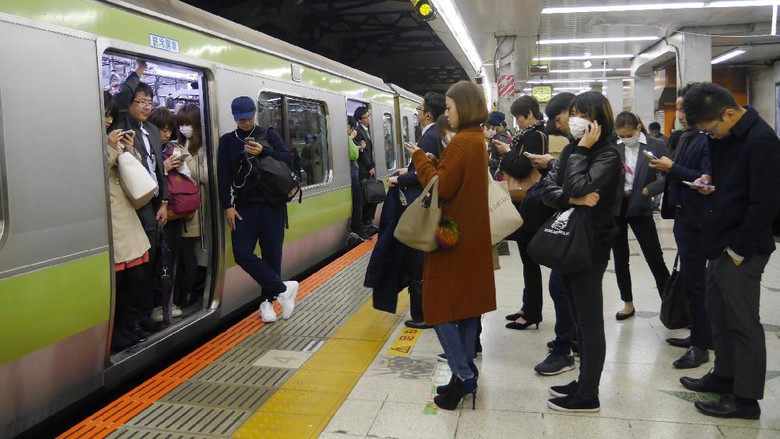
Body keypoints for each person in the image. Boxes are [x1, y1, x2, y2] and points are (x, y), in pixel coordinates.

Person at [679, 82, 780, 420]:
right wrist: (709, 181)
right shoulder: (726, 136)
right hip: (720, 240)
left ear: (729, 114)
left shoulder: (762, 141)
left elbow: (765, 204)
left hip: (743, 247)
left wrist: (738, 249)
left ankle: (746, 400)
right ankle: (724, 375)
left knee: (742, 323)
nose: (710, 136)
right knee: (718, 313)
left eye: (711, 129)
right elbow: (731, 181)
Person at [404, 81, 496, 411]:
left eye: (449, 107)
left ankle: (464, 374)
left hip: (452, 239)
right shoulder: (476, 140)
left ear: (464, 107)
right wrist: (435, 160)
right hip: (471, 237)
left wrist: (419, 158)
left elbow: (441, 187)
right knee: (467, 309)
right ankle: (461, 377)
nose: (446, 113)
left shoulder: (462, 141)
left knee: (438, 306)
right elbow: (454, 177)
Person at [540, 91, 621, 412]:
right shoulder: (572, 149)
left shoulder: (607, 154)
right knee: (577, 315)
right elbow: (548, 189)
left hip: (591, 245)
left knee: (589, 320)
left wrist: (583, 153)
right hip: (569, 239)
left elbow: (575, 184)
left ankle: (589, 394)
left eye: (582, 114)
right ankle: (583, 382)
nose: (575, 120)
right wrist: (572, 199)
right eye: (573, 113)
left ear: (598, 119)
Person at [216, 96, 298, 323]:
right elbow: (223, 176)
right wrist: (227, 205)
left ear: (254, 114)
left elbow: (288, 159)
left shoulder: (268, 134)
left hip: (273, 206)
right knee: (242, 253)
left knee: (272, 255)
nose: (245, 123)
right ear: (234, 118)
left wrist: (263, 151)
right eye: (241, 119)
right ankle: (284, 289)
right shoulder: (228, 141)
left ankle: (267, 303)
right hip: (244, 207)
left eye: (248, 118)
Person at [648, 83, 712, 369]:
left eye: (684, 109)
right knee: (690, 279)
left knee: (698, 282)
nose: (680, 114)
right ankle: (698, 333)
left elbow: (704, 176)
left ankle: (702, 344)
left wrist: (671, 168)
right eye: (678, 109)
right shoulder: (684, 137)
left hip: (698, 218)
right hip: (683, 215)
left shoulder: (707, 139)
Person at [524, 92, 579, 376]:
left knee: (565, 288)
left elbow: (581, 186)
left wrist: (563, 191)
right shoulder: (574, 147)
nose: (560, 126)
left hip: (584, 231)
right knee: (564, 287)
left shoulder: (603, 150)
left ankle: (565, 350)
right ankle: (569, 340)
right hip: (571, 223)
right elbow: (556, 188)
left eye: (561, 119)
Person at [113, 59, 168, 335]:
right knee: (138, 268)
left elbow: (159, 171)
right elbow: (120, 100)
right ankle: (132, 320)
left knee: (152, 262)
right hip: (136, 206)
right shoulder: (123, 124)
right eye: (141, 101)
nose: (146, 106)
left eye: (149, 102)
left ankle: (144, 315)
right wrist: (137, 73)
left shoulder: (153, 131)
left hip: (154, 204)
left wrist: (164, 201)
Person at [389, 92, 445, 329]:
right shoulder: (435, 134)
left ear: (428, 114)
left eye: (420, 110)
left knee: (417, 261)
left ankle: (422, 314)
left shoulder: (431, 136)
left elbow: (426, 175)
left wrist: (400, 179)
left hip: (423, 206)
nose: (418, 113)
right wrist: (409, 169)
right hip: (428, 203)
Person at [494, 95, 548, 330]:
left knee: (530, 258)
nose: (518, 122)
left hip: (532, 203)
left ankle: (533, 311)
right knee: (527, 259)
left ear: (529, 114)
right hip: (527, 201)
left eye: (519, 118)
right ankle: (528, 306)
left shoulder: (536, 136)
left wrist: (507, 152)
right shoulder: (528, 135)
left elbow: (521, 169)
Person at [611, 112, 670, 320]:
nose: (626, 139)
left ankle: (669, 303)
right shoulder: (614, 146)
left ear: (638, 128)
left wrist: (649, 190)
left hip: (641, 204)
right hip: (617, 206)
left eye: (629, 135)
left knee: (654, 256)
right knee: (620, 257)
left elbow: (669, 175)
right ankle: (627, 303)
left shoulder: (656, 145)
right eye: (621, 135)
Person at [105, 98, 151, 352]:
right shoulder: (88, 141)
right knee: (118, 280)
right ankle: (112, 333)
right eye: (105, 115)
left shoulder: (110, 140)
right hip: (111, 220)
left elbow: (134, 174)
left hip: (127, 215)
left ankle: (123, 325)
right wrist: (111, 149)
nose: (109, 120)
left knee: (135, 276)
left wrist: (129, 151)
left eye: (111, 115)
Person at [147, 106, 192, 322]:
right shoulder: (145, 151)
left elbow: (188, 177)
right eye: (162, 129)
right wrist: (163, 167)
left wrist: (180, 165)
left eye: (169, 130)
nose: (166, 134)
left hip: (174, 214)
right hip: (154, 214)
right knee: (156, 264)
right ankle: (156, 305)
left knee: (171, 261)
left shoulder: (173, 149)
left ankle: (167, 302)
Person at [177, 104, 209, 308]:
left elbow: (205, 176)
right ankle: (186, 290)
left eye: (187, 123)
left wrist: (187, 158)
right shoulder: (182, 143)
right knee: (184, 252)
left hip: (197, 208)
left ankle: (190, 291)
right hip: (180, 205)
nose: (183, 128)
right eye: (181, 124)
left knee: (189, 250)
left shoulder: (203, 147)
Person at [353, 106, 378, 235]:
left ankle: (369, 222)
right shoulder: (358, 131)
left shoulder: (366, 131)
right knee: (367, 197)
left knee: (372, 196)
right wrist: (369, 166)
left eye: (369, 116)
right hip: (363, 170)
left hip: (368, 169)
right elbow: (363, 153)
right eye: (366, 117)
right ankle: (366, 223)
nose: (369, 118)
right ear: (360, 119)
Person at [347, 116, 370, 242]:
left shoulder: (348, 139)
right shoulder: (348, 138)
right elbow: (353, 154)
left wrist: (359, 147)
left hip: (353, 171)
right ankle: (357, 226)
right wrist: (351, 138)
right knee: (358, 200)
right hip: (353, 172)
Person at [484, 111, 512, 178]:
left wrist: (487, 161)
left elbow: (503, 160)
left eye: (489, 126)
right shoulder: (499, 136)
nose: (489, 128)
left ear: (494, 125)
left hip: (498, 175)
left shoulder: (502, 138)